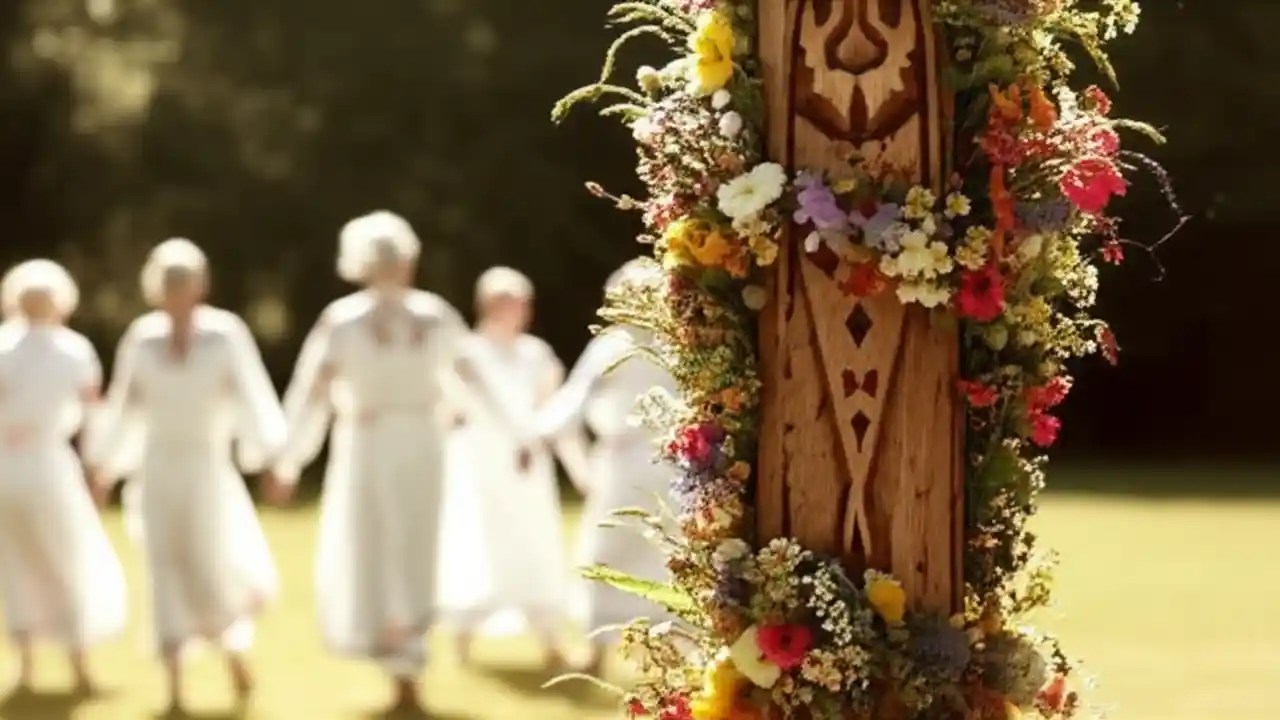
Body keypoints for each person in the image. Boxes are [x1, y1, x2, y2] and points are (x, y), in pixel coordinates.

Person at [265, 210, 487, 713]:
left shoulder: (433, 316)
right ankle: (401, 662)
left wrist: (512, 432)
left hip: (417, 443)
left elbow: (474, 382)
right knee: (378, 548)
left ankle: (407, 662)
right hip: (368, 445)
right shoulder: (345, 321)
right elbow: (312, 393)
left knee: (414, 546)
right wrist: (288, 458)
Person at [84, 239, 283, 714]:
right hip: (157, 470)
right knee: (164, 567)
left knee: (213, 563)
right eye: (169, 283)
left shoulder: (225, 334)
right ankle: (174, 682)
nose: (177, 292)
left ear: (200, 285)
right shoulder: (142, 338)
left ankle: (234, 650)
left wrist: (274, 458)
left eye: (185, 282)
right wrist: (104, 465)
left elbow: (252, 395)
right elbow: (124, 407)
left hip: (207, 467)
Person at [533, 258, 679, 674]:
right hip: (623, 462)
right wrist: (537, 435)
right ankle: (598, 652)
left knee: (664, 554)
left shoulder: (674, 343)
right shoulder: (613, 345)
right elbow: (572, 403)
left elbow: (569, 404)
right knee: (610, 552)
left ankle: (671, 655)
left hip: (665, 462)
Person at [441, 267, 588, 668]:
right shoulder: (464, 352)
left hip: (528, 466)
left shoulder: (536, 353)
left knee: (534, 542)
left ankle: (551, 640)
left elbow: (556, 414)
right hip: (479, 461)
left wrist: (579, 468)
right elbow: (449, 412)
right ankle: (462, 642)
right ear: (489, 304)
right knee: (478, 542)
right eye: (512, 301)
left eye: (524, 302)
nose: (521, 310)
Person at [0, 260, 126, 694]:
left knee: (16, 564)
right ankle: (77, 665)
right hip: (48, 464)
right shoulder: (74, 350)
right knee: (66, 559)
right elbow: (95, 416)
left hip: (9, 469)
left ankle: (28, 667)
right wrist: (100, 467)